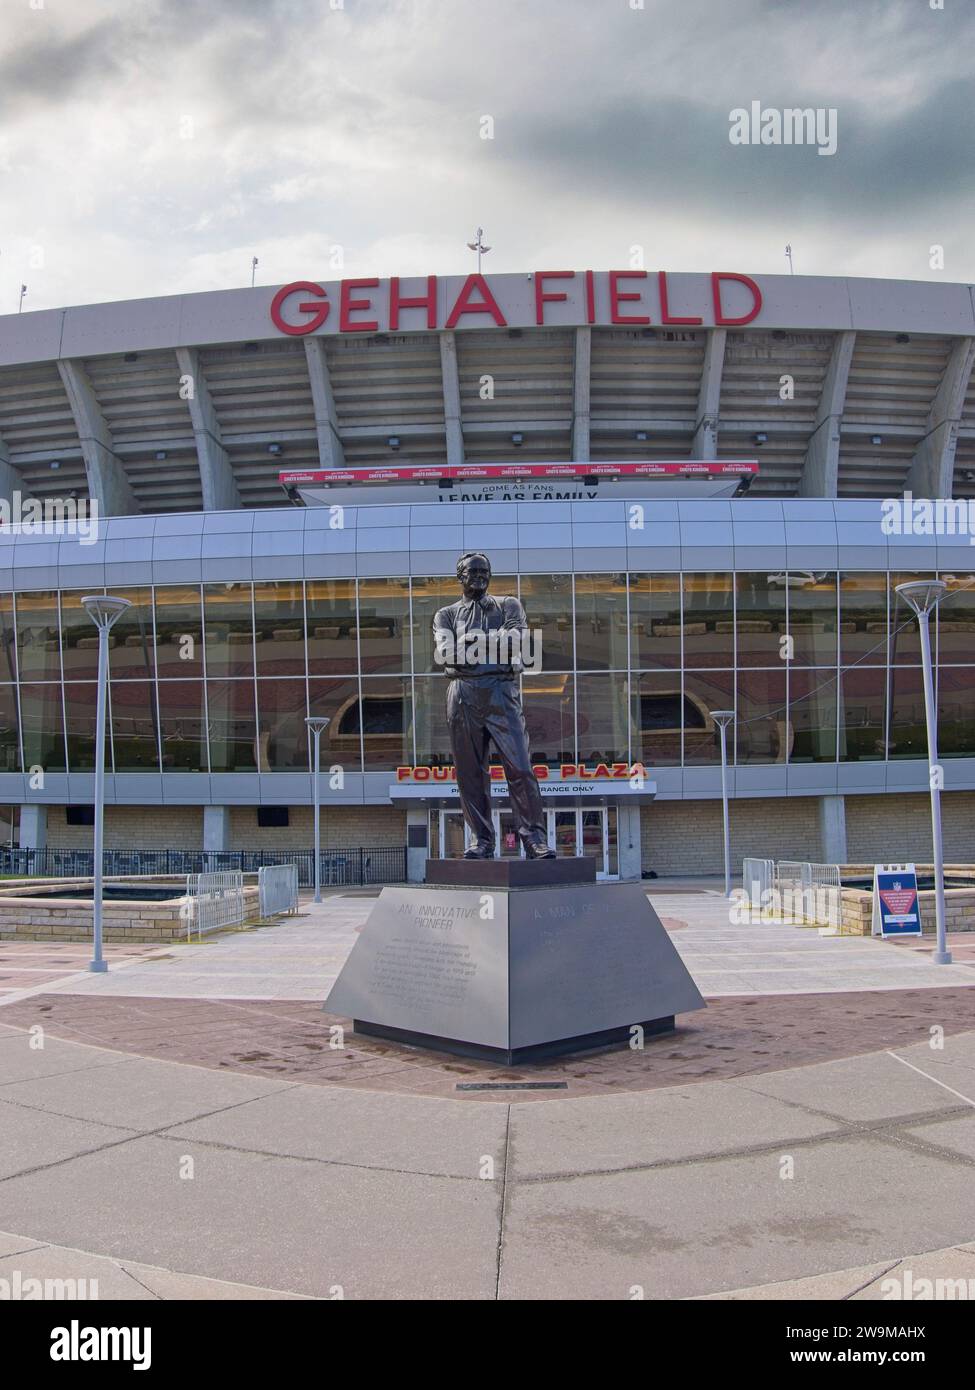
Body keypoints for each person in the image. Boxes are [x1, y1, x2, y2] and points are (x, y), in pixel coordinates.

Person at [432, 552, 554, 859]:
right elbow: (447, 654)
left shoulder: (509, 604)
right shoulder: (445, 615)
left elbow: (517, 642)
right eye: (472, 572)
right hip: (462, 696)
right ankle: (482, 840)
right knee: (470, 774)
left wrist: (471, 644)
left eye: (484, 571)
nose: (479, 576)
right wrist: (493, 641)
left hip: (501, 693)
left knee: (521, 769)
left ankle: (534, 839)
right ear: (459, 577)